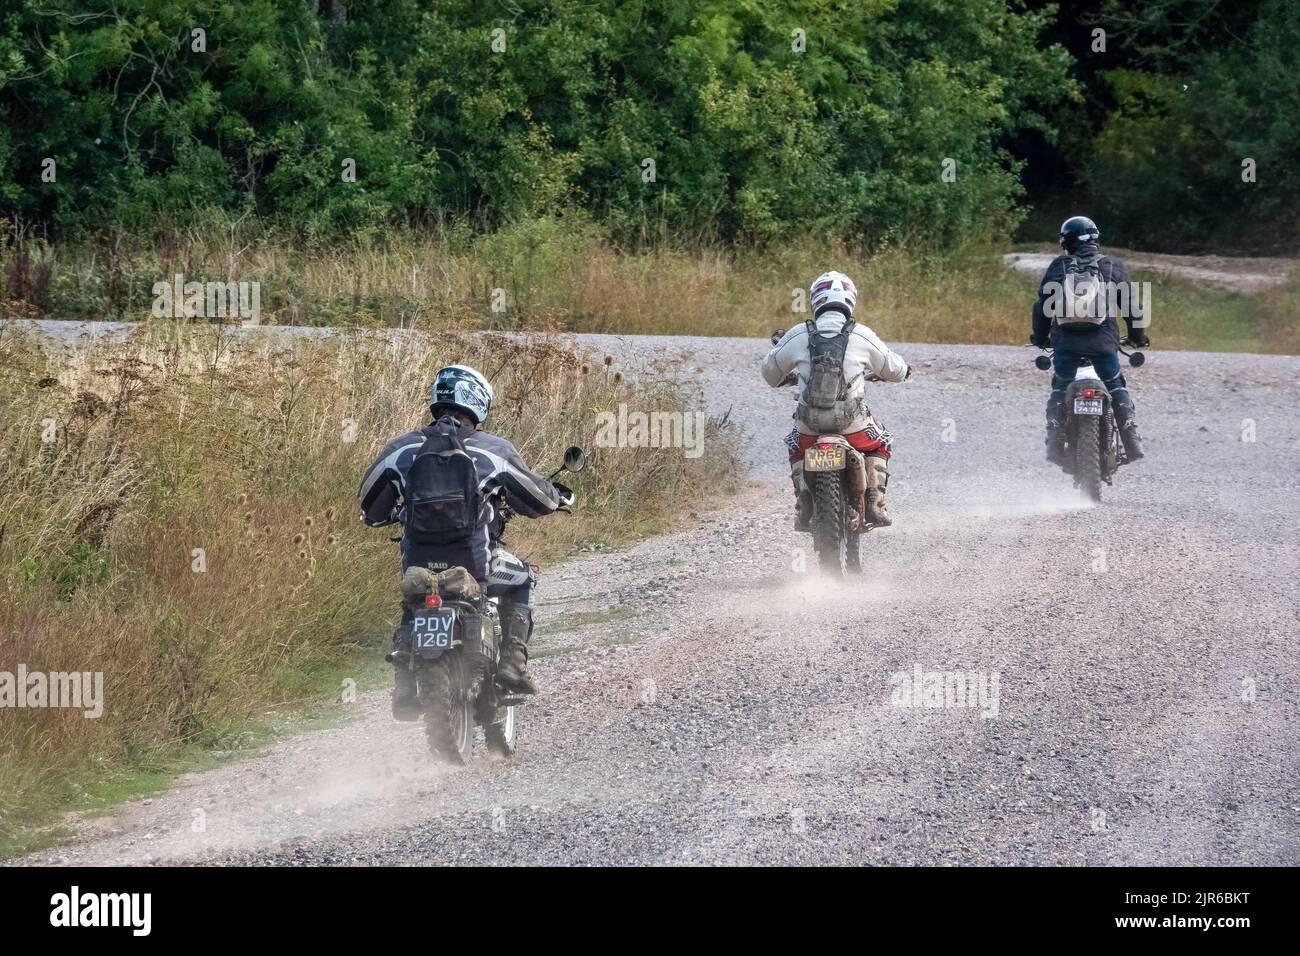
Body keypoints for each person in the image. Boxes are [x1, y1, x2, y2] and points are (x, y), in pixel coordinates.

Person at [357, 365, 574, 714]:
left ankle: (403, 682)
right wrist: (558, 498)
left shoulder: (400, 449)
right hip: (478, 565)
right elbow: (538, 500)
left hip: (418, 562)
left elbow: (370, 508)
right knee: (522, 579)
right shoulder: (493, 450)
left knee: (414, 595)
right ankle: (512, 664)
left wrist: (390, 514)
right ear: (478, 402)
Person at [762, 270, 910, 529]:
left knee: (794, 445)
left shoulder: (798, 334)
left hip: (810, 427)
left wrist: (789, 374)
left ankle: (804, 501)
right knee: (882, 441)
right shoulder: (861, 334)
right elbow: (895, 369)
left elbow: (770, 374)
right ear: (851, 300)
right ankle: (875, 500)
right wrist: (904, 370)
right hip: (853, 426)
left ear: (815, 299)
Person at [1031, 215, 1148, 466]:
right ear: (1096, 239)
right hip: (1103, 344)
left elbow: (1042, 307)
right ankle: (1132, 440)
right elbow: (1132, 308)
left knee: (1060, 386)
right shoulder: (1112, 266)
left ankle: (1054, 440)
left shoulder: (1058, 266)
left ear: (1066, 242)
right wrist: (1138, 338)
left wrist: (1039, 338)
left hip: (1066, 345)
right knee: (1116, 385)